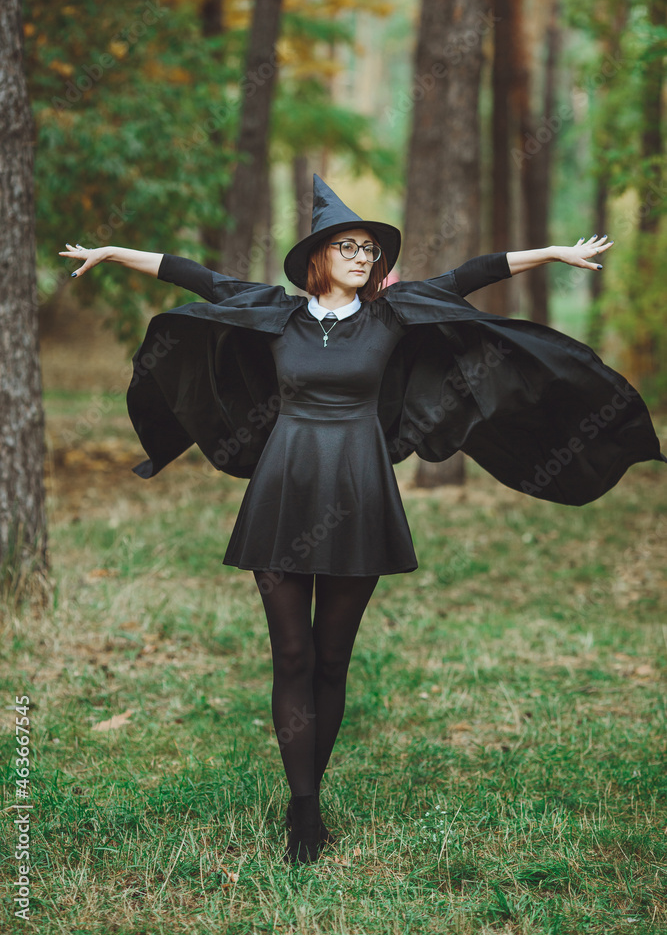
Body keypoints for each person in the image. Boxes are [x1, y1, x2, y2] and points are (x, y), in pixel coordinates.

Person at [59, 174, 665, 864]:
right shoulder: (276, 313)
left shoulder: (393, 313)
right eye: (348, 246)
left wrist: (551, 252)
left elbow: (470, 275)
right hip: (282, 491)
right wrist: (112, 252)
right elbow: (196, 277)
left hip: (359, 492)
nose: (362, 257)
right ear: (317, 256)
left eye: (370, 249)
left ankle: (310, 794)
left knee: (330, 657)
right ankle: (302, 810)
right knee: (289, 654)